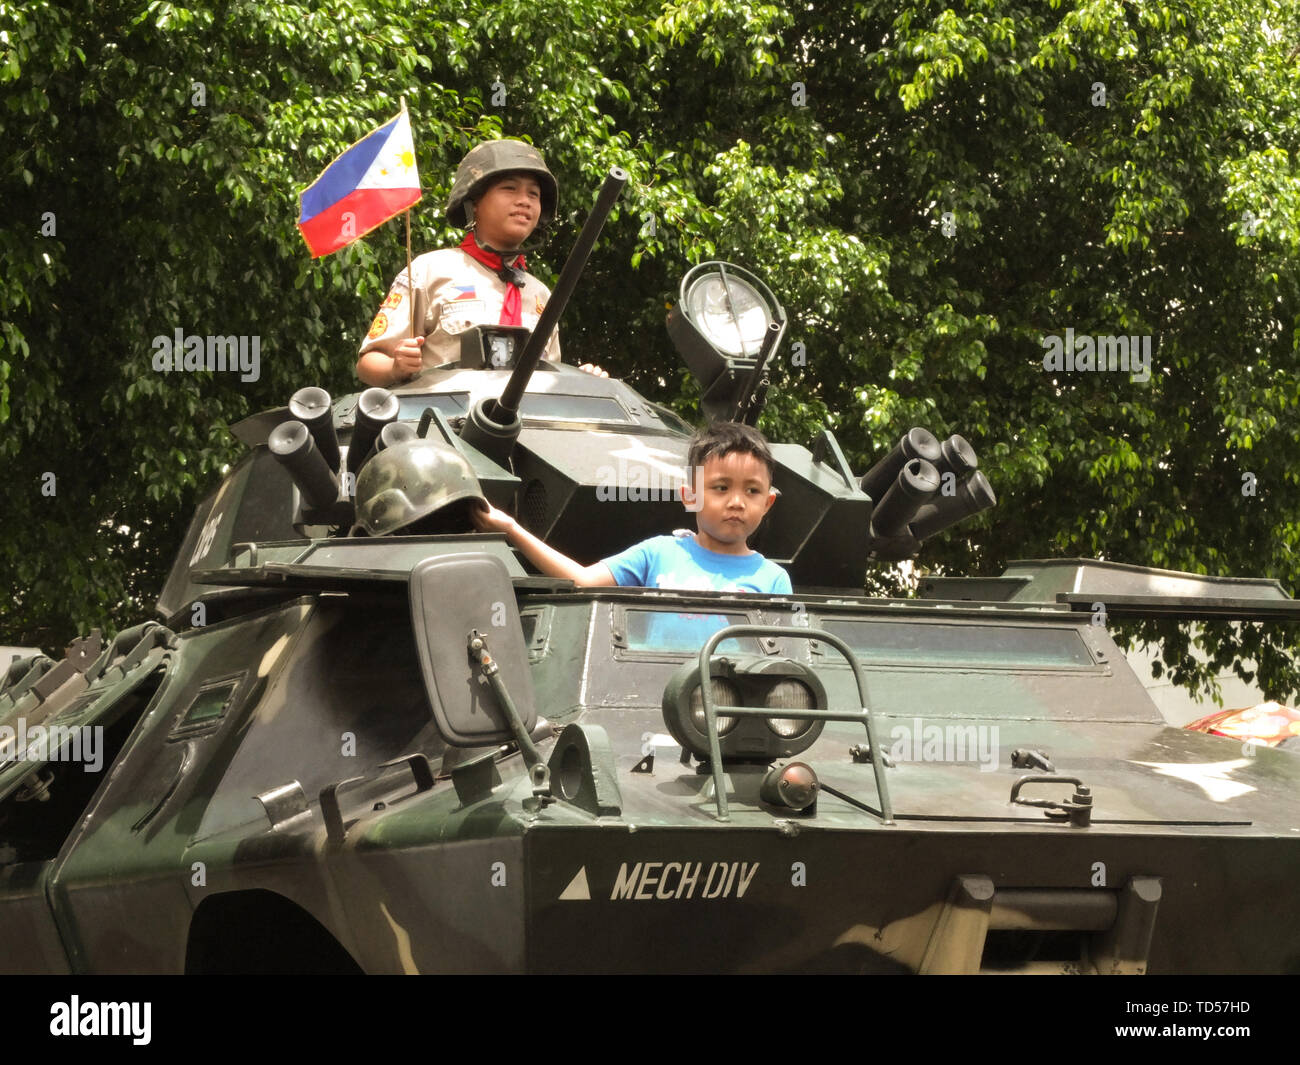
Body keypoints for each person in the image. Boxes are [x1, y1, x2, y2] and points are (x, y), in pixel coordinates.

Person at [356, 138, 605, 386]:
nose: (524, 200)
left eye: (534, 193)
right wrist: (394, 367)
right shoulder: (431, 271)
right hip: (444, 420)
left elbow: (550, 379)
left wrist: (582, 379)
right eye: (509, 188)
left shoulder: (540, 295)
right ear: (474, 203)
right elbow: (369, 363)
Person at [472, 421, 792, 594]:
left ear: (768, 503)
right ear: (690, 495)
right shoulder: (658, 554)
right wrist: (512, 529)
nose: (737, 501)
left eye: (752, 491)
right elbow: (582, 580)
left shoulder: (772, 579)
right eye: (721, 488)